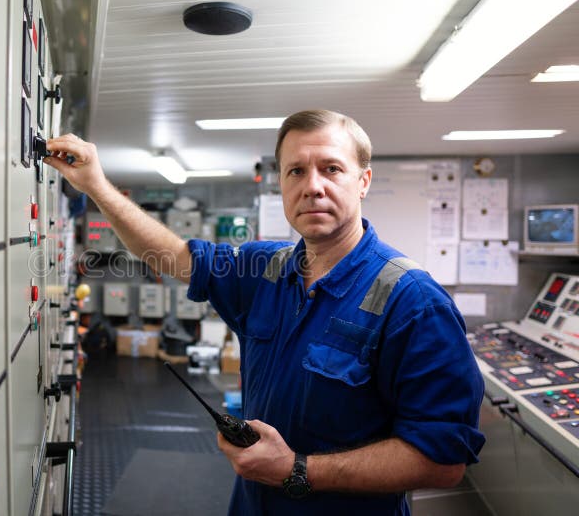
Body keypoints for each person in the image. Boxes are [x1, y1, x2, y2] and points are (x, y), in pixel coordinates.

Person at [44, 109, 485, 515]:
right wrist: (97, 186)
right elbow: (174, 256)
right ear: (282, 184)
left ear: (363, 180)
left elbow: (442, 460)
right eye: (296, 171)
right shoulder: (263, 270)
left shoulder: (414, 302)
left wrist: (298, 469)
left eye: (332, 168)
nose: (313, 185)